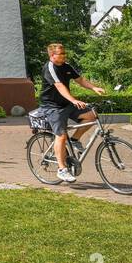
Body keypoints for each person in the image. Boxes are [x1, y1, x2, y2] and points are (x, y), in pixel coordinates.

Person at [39, 43, 105, 183]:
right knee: (61, 136)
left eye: (64, 54)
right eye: (61, 54)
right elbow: (59, 86)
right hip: (52, 107)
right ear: (52, 55)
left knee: (91, 116)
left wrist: (94, 88)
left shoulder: (67, 66)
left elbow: (80, 80)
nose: (64, 56)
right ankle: (62, 169)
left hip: (66, 104)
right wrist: (74, 100)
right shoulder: (49, 68)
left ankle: (75, 140)